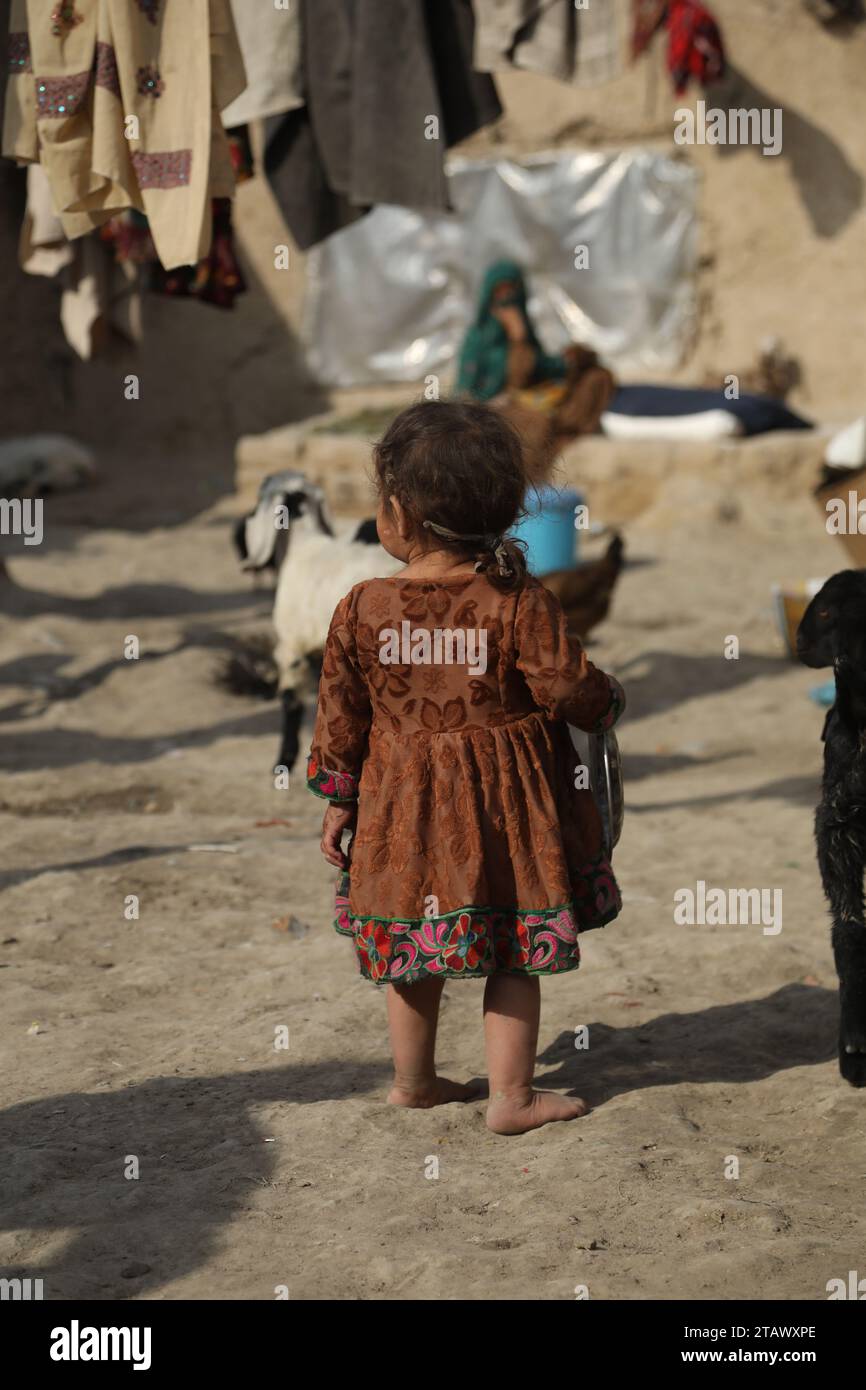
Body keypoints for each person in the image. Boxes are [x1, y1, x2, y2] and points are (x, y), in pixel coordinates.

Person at [307, 400, 625, 1134]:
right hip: (507, 807)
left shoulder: (362, 607)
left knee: (407, 945)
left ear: (398, 514)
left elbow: (340, 714)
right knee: (513, 943)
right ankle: (512, 1098)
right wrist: (607, 702)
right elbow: (569, 688)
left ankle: (413, 1082)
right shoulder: (518, 601)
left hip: (398, 806)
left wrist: (339, 796)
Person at [456, 259, 615, 437]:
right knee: (534, 423)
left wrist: (571, 361)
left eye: (511, 290)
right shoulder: (478, 338)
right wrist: (518, 339)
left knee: (597, 378)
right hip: (491, 409)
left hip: (529, 399)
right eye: (500, 291)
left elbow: (541, 368)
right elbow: (471, 391)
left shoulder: (526, 330)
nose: (507, 297)